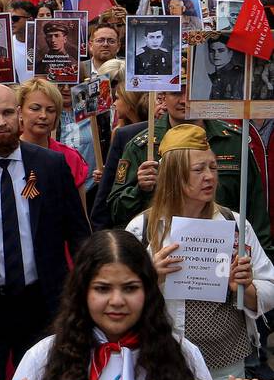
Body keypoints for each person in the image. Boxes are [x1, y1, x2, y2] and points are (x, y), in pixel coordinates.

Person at [0, 230, 267, 380]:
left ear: (148, 290)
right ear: (82, 292)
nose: (117, 301)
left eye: (130, 288)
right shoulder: (44, 356)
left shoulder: (182, 353)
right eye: (102, 289)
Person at [0, 83, 91, 380]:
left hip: (44, 306)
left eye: (6, 112)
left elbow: (79, 236)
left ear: (18, 115)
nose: (0, 121)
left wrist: (82, 298)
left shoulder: (51, 166)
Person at [125, 124, 274, 380]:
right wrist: (149, 277)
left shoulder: (235, 224)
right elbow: (118, 301)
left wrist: (245, 288)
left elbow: (270, 287)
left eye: (213, 168)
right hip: (163, 360)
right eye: (198, 170)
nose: (210, 177)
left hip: (225, 362)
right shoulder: (143, 230)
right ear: (174, 175)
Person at [106, 90, 270, 257]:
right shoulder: (142, 146)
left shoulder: (234, 142)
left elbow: (255, 210)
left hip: (225, 254)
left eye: (193, 92)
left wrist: (258, 268)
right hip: (162, 243)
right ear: (163, 97)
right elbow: (115, 212)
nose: (184, 100)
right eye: (176, 93)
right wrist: (140, 190)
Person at [17, 77, 89, 193]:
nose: (43, 115)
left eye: (50, 110)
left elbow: (80, 209)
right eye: (35, 108)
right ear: (20, 112)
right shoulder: (6, 153)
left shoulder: (70, 157)